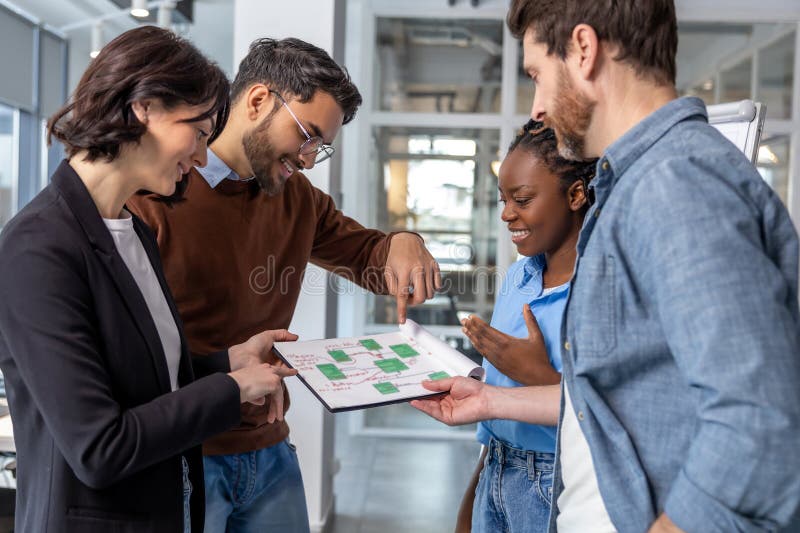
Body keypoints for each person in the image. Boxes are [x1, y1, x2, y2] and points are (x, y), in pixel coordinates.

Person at [414, 1, 800, 532]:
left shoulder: (675, 182)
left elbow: (759, 417)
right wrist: (490, 399)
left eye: (537, 76)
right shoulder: (638, 184)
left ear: (583, 49)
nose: (538, 109)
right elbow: (627, 398)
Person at [126, 37, 441, 532]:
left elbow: (371, 258)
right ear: (257, 101)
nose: (311, 159)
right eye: (307, 135)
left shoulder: (298, 200)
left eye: (322, 145)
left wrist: (404, 239)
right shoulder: (150, 194)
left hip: (268, 450)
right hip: (181, 457)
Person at [0, 26, 299, 533]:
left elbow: (142, 384)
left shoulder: (130, 227)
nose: (203, 156)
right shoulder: (37, 247)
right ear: (145, 107)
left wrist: (228, 362)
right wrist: (229, 389)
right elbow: (100, 446)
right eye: (199, 132)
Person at [455, 121, 596, 533]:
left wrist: (538, 375)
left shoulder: (598, 290)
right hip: (497, 466)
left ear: (575, 195)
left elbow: (602, 413)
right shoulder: (519, 278)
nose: (506, 214)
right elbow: (493, 399)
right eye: (503, 199)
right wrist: (477, 493)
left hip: (554, 478)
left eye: (522, 199)